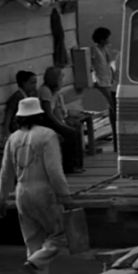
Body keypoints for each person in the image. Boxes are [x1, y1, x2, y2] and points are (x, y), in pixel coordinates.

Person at [0, 97, 75, 274]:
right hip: (45, 192)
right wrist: (66, 197)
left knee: (33, 241)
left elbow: (5, 173)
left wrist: (2, 199)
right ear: (40, 116)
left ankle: (34, 264)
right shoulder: (47, 135)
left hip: (22, 193)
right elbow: (54, 171)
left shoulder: (13, 138)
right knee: (60, 235)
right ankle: (34, 263)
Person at [38, 67, 84, 174]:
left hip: (53, 119)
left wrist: (65, 121)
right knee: (70, 133)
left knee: (76, 126)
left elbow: (58, 109)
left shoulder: (55, 92)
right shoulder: (45, 91)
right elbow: (48, 113)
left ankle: (78, 164)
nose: (62, 82)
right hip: (46, 122)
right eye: (60, 79)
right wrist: (61, 125)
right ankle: (69, 166)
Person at [91, 26, 118, 151]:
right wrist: (94, 80)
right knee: (113, 108)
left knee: (113, 107)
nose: (108, 40)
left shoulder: (104, 49)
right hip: (101, 83)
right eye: (107, 38)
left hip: (108, 82)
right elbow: (91, 67)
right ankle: (116, 140)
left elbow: (109, 64)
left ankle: (116, 140)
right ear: (102, 39)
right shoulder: (94, 50)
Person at [3, 71, 38, 145]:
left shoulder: (29, 96)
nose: (35, 85)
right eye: (32, 83)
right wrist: (6, 131)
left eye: (35, 83)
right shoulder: (17, 97)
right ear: (24, 83)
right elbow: (8, 114)